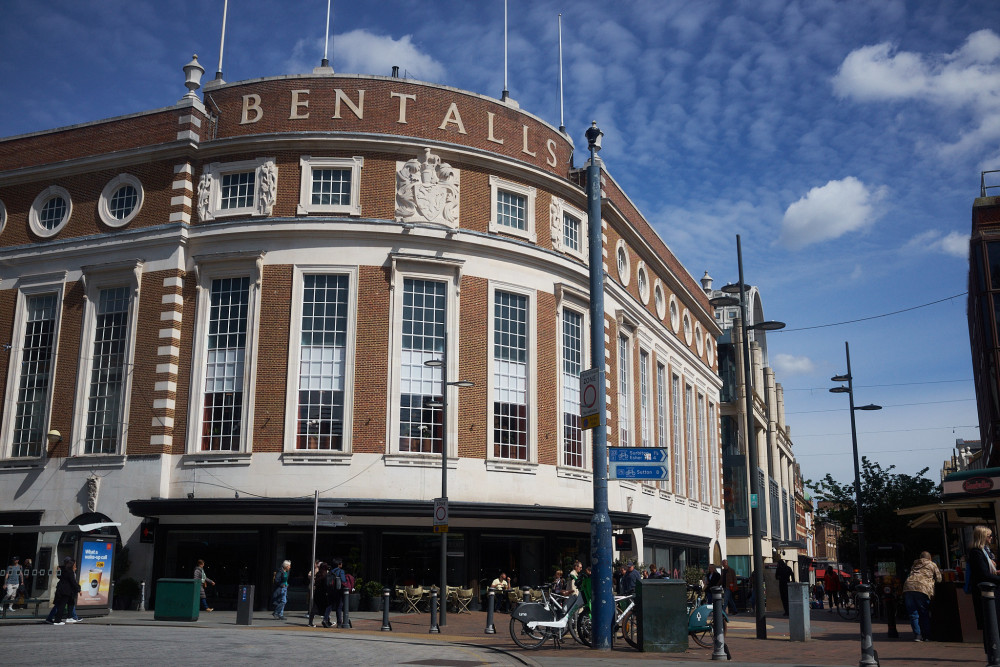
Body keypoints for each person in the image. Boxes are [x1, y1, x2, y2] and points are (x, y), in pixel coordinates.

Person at [968, 525, 1000, 648]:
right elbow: (983, 574)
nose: (991, 538)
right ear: (983, 537)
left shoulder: (985, 551)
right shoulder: (976, 552)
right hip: (985, 592)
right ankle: (993, 650)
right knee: (990, 621)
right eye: (989, 536)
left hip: (992, 590)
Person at [902, 551, 942, 642]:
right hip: (922, 588)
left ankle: (917, 635)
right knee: (924, 613)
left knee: (913, 614)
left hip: (908, 587)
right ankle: (927, 636)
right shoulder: (932, 564)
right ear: (930, 558)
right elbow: (939, 578)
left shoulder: (915, 564)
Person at [51, 558, 80, 625]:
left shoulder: (63, 570)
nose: (75, 566)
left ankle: (68, 617)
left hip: (61, 589)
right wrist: (78, 588)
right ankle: (57, 620)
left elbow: (59, 575)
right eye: (74, 565)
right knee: (62, 605)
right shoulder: (70, 572)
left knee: (66, 603)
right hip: (66, 590)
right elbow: (73, 582)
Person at [324, 557, 346, 627]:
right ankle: (339, 623)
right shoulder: (340, 571)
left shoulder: (330, 572)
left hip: (330, 591)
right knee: (339, 607)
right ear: (339, 564)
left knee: (329, 606)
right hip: (338, 591)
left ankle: (325, 619)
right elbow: (343, 580)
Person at [309, 561, 329, 627]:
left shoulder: (318, 574)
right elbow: (326, 585)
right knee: (326, 607)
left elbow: (316, 583)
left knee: (314, 607)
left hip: (317, 592)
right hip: (323, 593)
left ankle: (310, 622)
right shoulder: (325, 575)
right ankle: (326, 620)